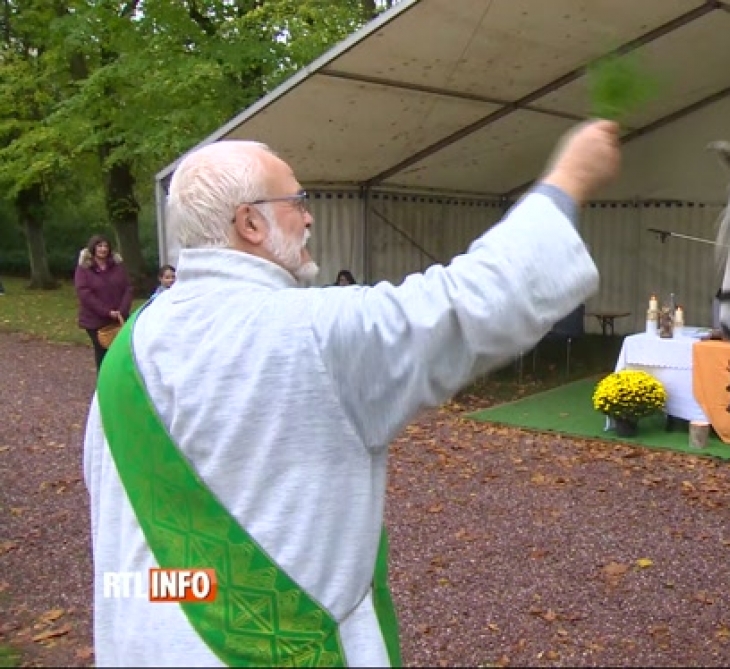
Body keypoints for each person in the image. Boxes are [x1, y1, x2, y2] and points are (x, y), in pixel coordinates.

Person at [82, 119, 620, 666]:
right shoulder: (314, 332)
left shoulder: (130, 348)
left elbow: (125, 540)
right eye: (296, 201)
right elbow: (474, 303)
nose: (309, 215)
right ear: (249, 223)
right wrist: (569, 178)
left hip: (139, 640)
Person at [74, 234, 133, 372]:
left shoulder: (117, 266)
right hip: (96, 320)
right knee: (103, 352)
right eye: (99, 246)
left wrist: (122, 310)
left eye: (106, 246)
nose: (103, 249)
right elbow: (84, 294)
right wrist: (106, 312)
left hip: (119, 317)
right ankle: (103, 384)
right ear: (93, 248)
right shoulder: (84, 269)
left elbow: (128, 287)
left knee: (121, 352)